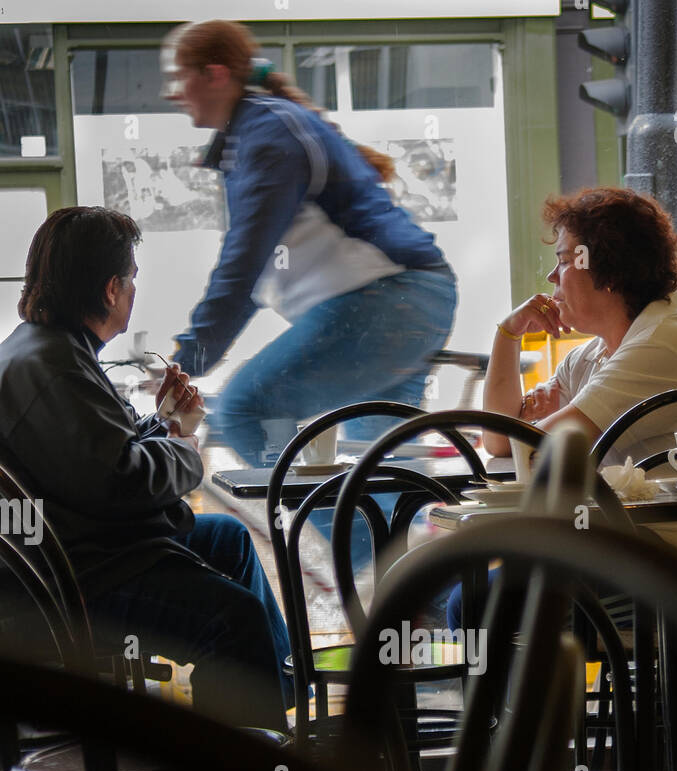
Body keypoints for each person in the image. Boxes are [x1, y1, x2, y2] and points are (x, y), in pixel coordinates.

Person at [0, 205, 292, 738]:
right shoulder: (56, 366)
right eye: (131, 279)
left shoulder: (43, 350)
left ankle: (276, 706)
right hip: (77, 586)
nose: (134, 291)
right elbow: (123, 482)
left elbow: (101, 456)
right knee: (235, 618)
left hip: (76, 555)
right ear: (111, 289)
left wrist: (162, 422)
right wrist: (184, 442)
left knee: (228, 537)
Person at [164, 19, 458, 461]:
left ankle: (323, 531)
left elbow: (244, 260)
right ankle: (382, 532)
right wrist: (195, 356)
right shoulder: (255, 134)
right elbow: (256, 270)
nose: (171, 92)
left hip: (382, 302)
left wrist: (190, 357)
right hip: (405, 302)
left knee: (246, 410)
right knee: (377, 474)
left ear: (215, 74)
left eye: (176, 76)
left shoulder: (268, 132)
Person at [482, 184, 677, 599]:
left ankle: (548, 662)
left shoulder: (660, 344)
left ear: (611, 272)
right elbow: (499, 442)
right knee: (484, 595)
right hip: (641, 545)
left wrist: (535, 433)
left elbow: (533, 449)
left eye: (563, 261)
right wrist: (507, 335)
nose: (550, 277)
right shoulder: (595, 354)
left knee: (486, 598)